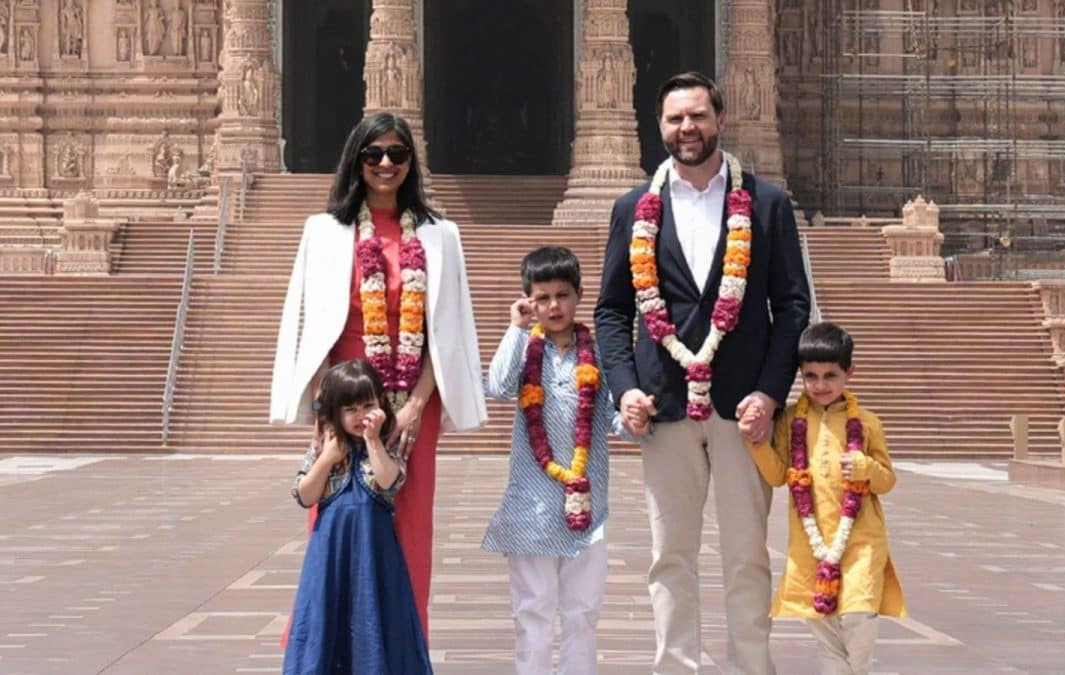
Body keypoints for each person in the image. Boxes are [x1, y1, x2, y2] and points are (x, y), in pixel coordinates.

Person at [594, 71, 811, 674]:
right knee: (670, 554)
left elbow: (792, 304)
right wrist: (625, 386)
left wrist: (770, 392)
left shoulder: (765, 204)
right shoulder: (633, 207)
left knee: (746, 555)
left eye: (697, 116)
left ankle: (751, 667)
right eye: (674, 118)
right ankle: (678, 666)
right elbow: (612, 310)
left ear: (719, 119)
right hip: (662, 404)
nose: (686, 128)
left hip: (744, 408)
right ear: (659, 126)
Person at [271, 111, 488, 639]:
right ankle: (329, 642)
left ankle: (404, 644)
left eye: (397, 154)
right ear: (357, 160)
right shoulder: (324, 231)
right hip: (346, 397)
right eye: (374, 154)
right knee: (337, 515)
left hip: (416, 394)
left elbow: (448, 329)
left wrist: (415, 404)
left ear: (413, 163)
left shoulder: (441, 235)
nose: (386, 164)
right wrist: (327, 415)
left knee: (410, 522)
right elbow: (312, 324)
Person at [482, 246, 632, 675]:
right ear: (528, 299)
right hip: (531, 506)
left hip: (588, 505)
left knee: (583, 613)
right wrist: (516, 327)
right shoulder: (529, 350)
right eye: (542, 297)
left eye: (562, 295)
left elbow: (610, 416)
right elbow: (497, 385)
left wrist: (637, 420)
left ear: (579, 295)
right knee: (533, 613)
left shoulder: (597, 353)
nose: (553, 306)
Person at [741, 322, 905, 675]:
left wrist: (865, 468)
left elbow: (887, 479)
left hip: (861, 542)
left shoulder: (868, 423)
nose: (820, 385)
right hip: (809, 545)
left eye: (830, 375)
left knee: (859, 618)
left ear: (850, 373)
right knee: (826, 634)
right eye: (810, 376)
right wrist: (755, 443)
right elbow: (778, 474)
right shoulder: (789, 421)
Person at [283, 360, 432, 673]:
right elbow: (304, 495)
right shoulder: (323, 445)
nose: (360, 415)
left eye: (368, 405)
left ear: (381, 404)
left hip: (374, 556)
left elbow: (390, 480)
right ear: (334, 411)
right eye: (350, 408)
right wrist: (326, 459)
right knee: (325, 620)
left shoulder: (387, 442)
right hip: (330, 556)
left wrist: (374, 441)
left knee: (376, 619)